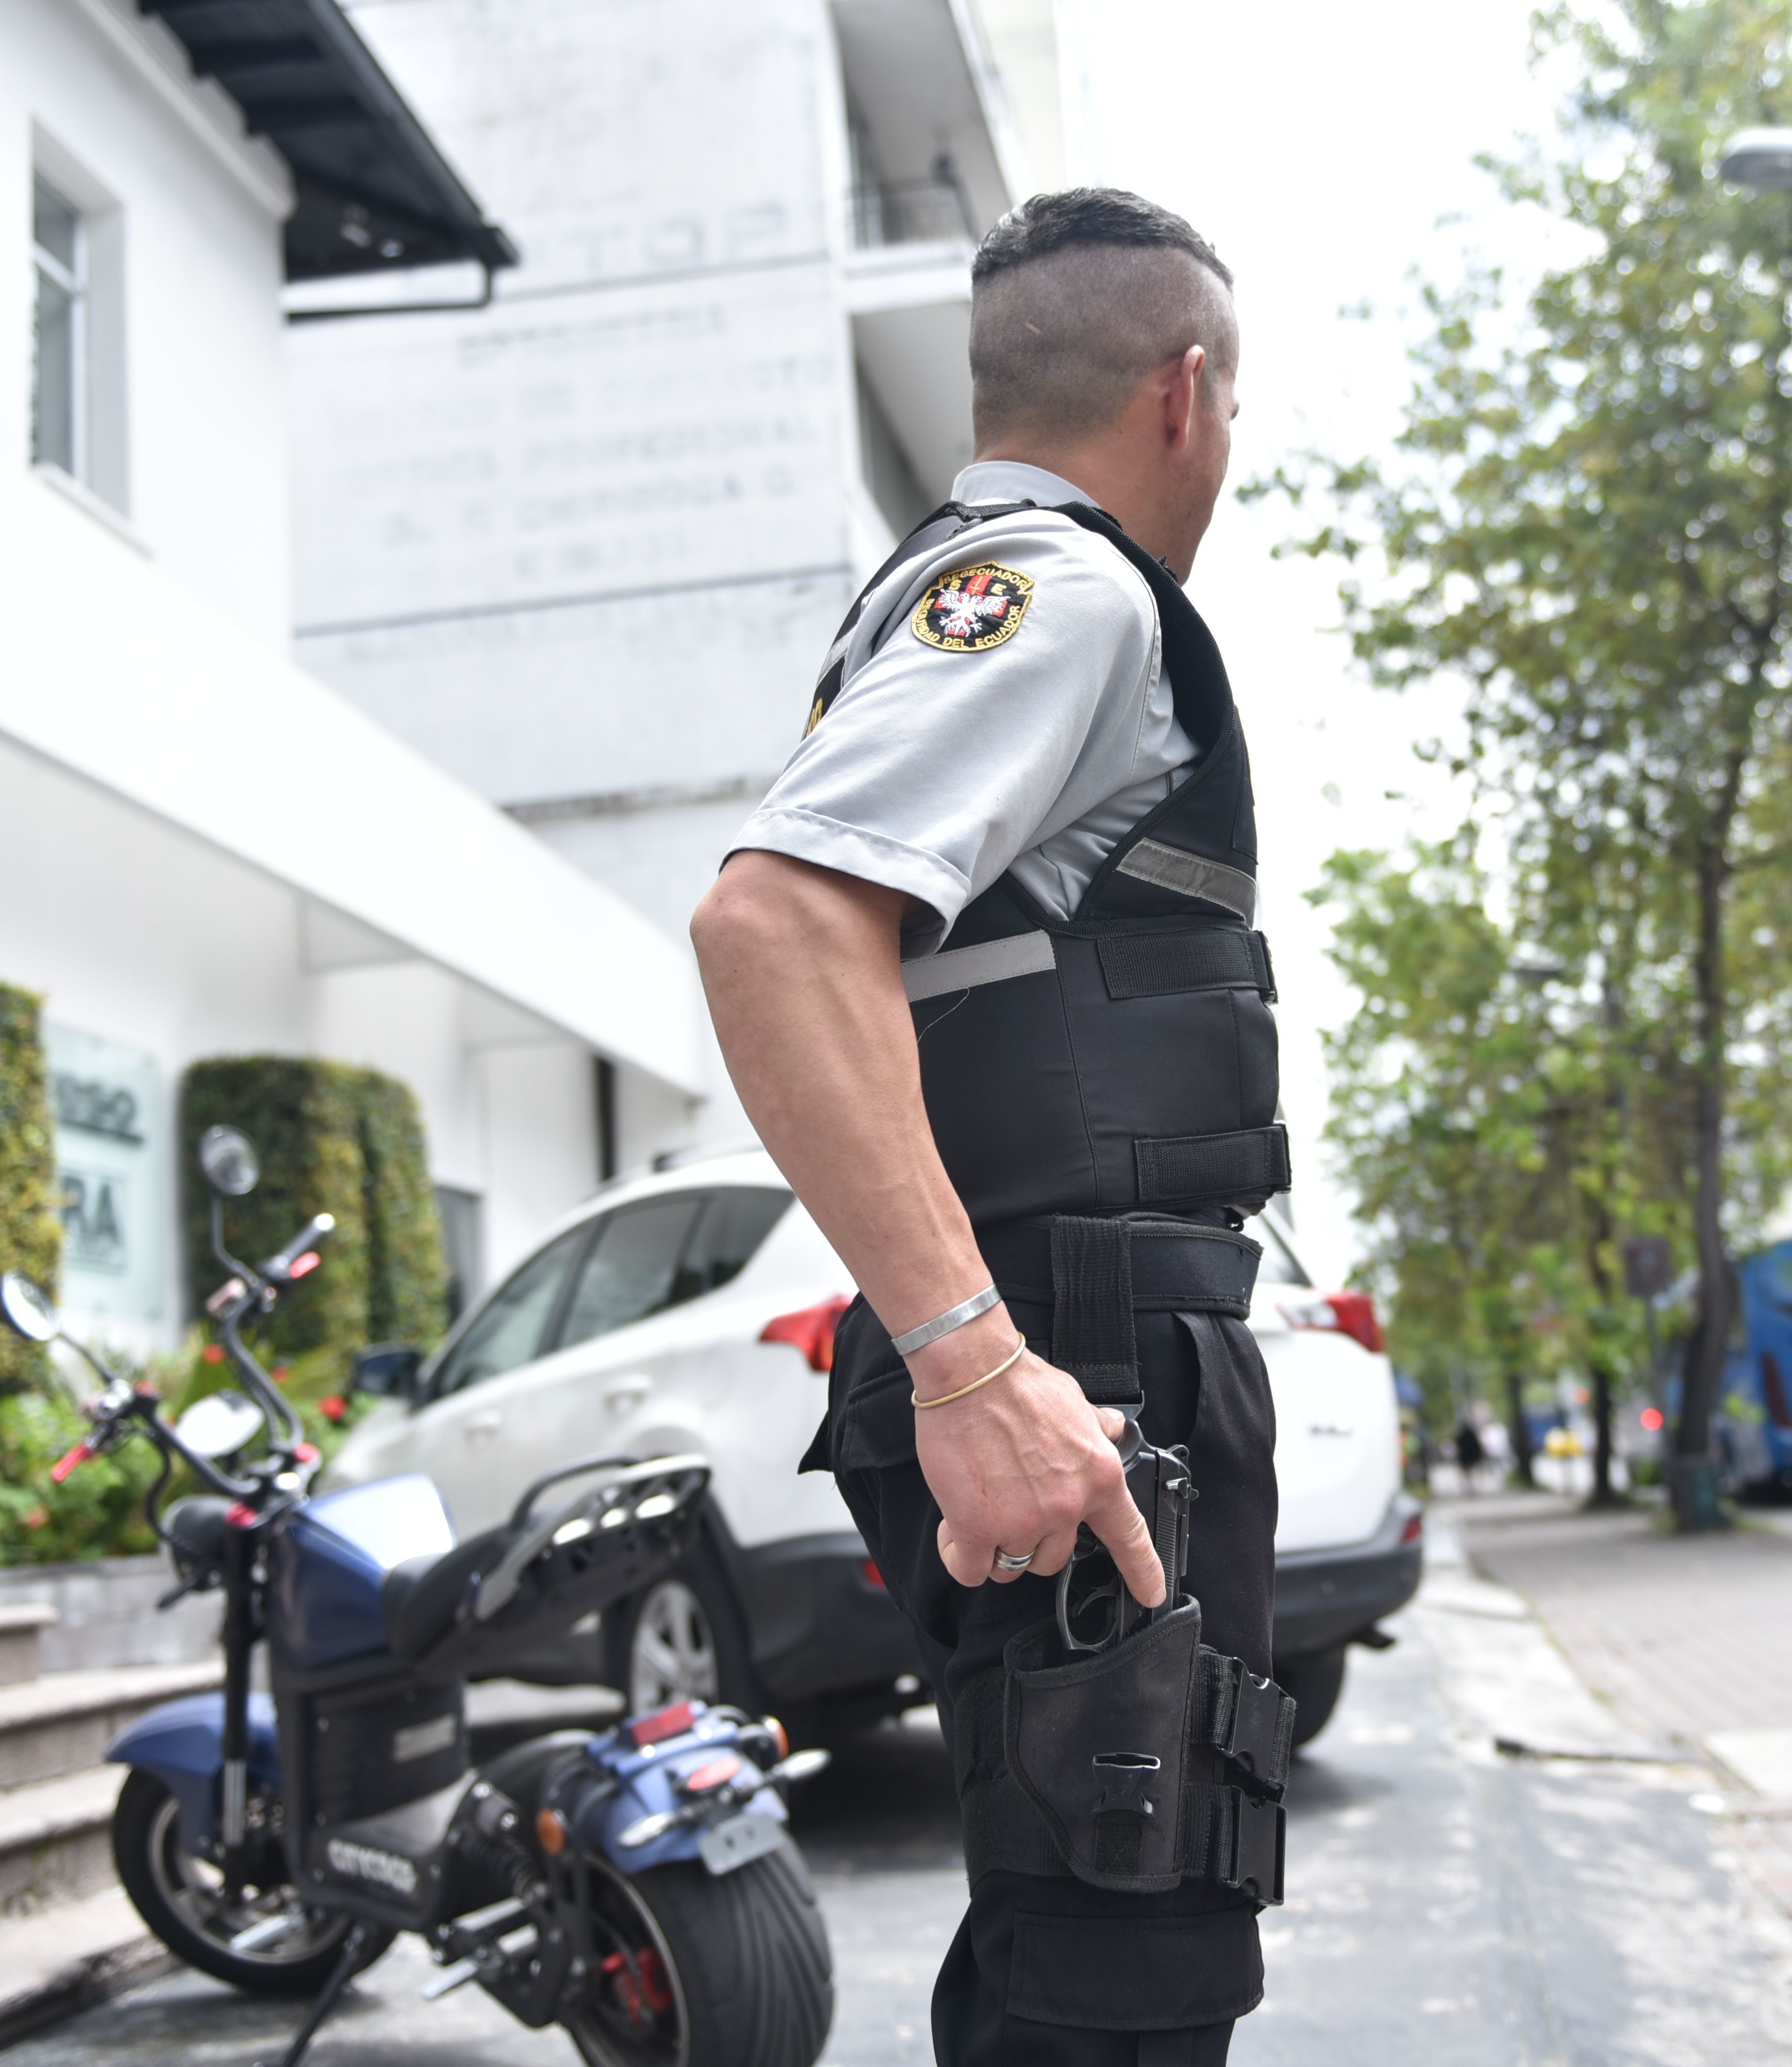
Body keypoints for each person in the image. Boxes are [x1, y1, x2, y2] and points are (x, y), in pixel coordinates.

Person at [691, 188, 1289, 2066]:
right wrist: (972, 1368)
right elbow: (774, 921)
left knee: (1093, 1918)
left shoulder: (963, 591)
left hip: (1058, 1343)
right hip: (1073, 1355)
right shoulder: (1066, 588)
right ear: (1184, 392)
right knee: (1121, 1958)